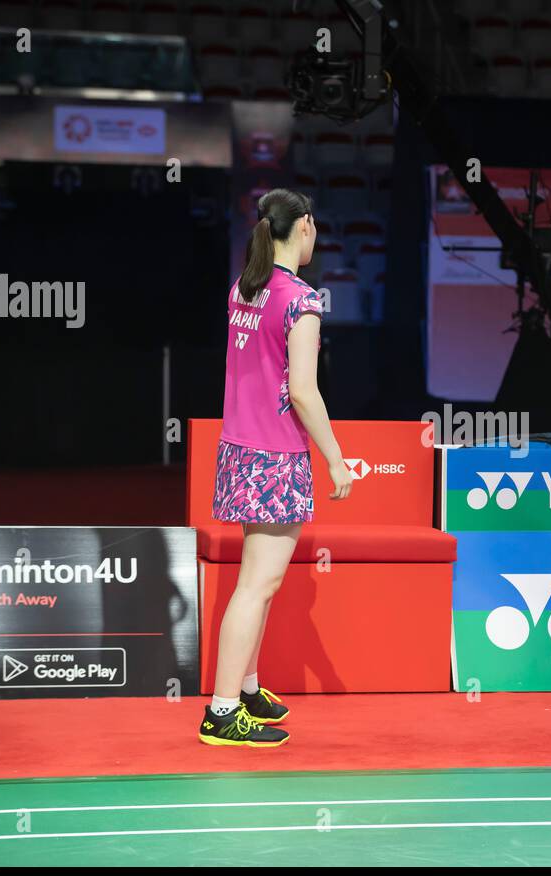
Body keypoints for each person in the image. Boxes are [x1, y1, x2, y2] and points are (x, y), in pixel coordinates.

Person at [199, 188, 354, 748]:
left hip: (239, 450)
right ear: (306, 226)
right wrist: (336, 459)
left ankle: (246, 687)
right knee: (257, 587)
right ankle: (221, 712)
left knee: (256, 586)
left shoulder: (243, 289)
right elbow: (305, 393)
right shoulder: (302, 301)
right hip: (277, 457)